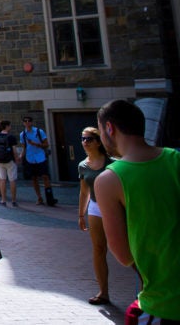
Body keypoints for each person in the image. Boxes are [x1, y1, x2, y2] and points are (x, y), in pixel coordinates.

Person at [95, 99, 180, 322]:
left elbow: (122, 253)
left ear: (109, 128)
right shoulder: (176, 158)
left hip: (163, 305)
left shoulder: (109, 179)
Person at [76, 126, 111, 306]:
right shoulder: (83, 165)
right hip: (95, 207)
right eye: (83, 139)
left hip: (113, 207)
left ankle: (145, 286)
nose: (84, 142)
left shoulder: (111, 162)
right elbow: (84, 192)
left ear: (98, 142)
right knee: (98, 249)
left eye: (89, 139)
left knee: (128, 248)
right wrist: (81, 214)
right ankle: (103, 292)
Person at [20, 116, 56, 206]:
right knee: (34, 178)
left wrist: (35, 144)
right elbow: (24, 148)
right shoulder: (23, 134)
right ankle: (39, 198)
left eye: (29, 121)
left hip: (40, 157)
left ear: (32, 122)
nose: (27, 123)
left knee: (45, 177)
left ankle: (49, 198)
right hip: (30, 158)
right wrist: (21, 156)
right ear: (23, 123)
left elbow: (46, 144)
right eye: (25, 121)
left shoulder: (39, 132)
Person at [0, 120, 19, 206]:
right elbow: (14, 150)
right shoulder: (11, 137)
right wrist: (17, 159)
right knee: (12, 180)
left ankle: (3, 200)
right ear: (7, 126)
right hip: (9, 160)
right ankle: (13, 200)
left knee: (2, 180)